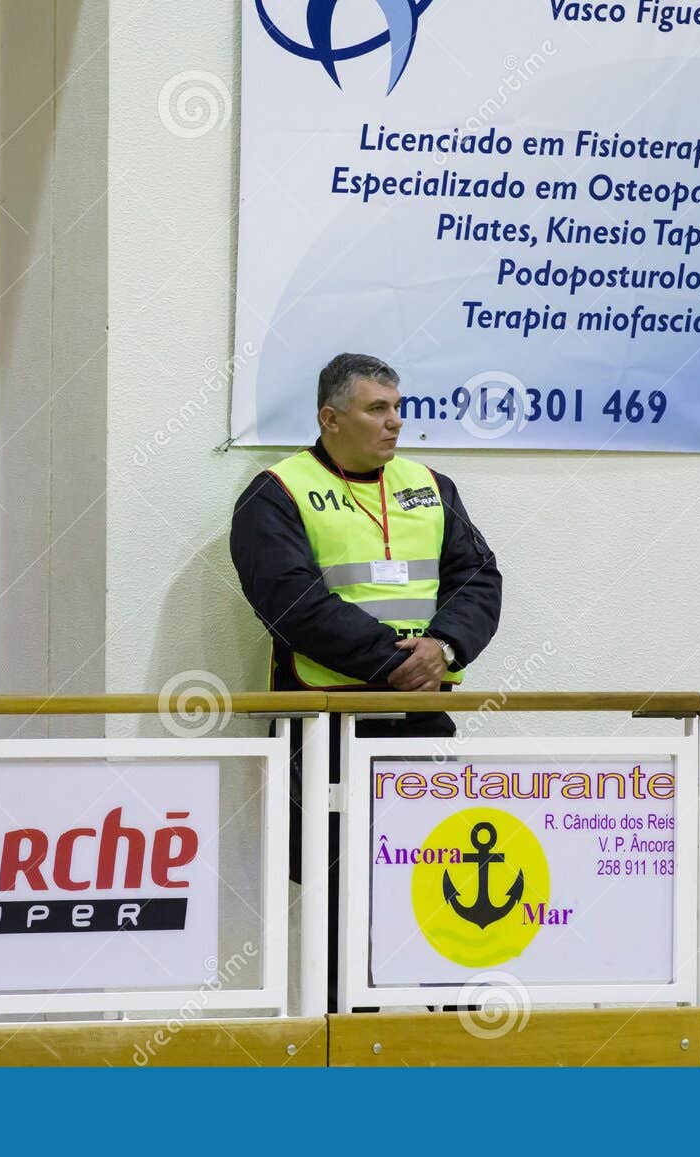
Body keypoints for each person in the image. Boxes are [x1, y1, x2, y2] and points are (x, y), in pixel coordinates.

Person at [229, 352, 502, 1009]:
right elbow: (291, 601)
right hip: (326, 724)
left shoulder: (432, 485)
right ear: (330, 418)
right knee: (337, 888)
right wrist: (395, 663)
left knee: (436, 878)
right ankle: (342, 1032)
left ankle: (435, 1026)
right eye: (377, 409)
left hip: (422, 722)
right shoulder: (277, 491)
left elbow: (479, 578)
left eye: (398, 407)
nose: (395, 422)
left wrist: (444, 647)